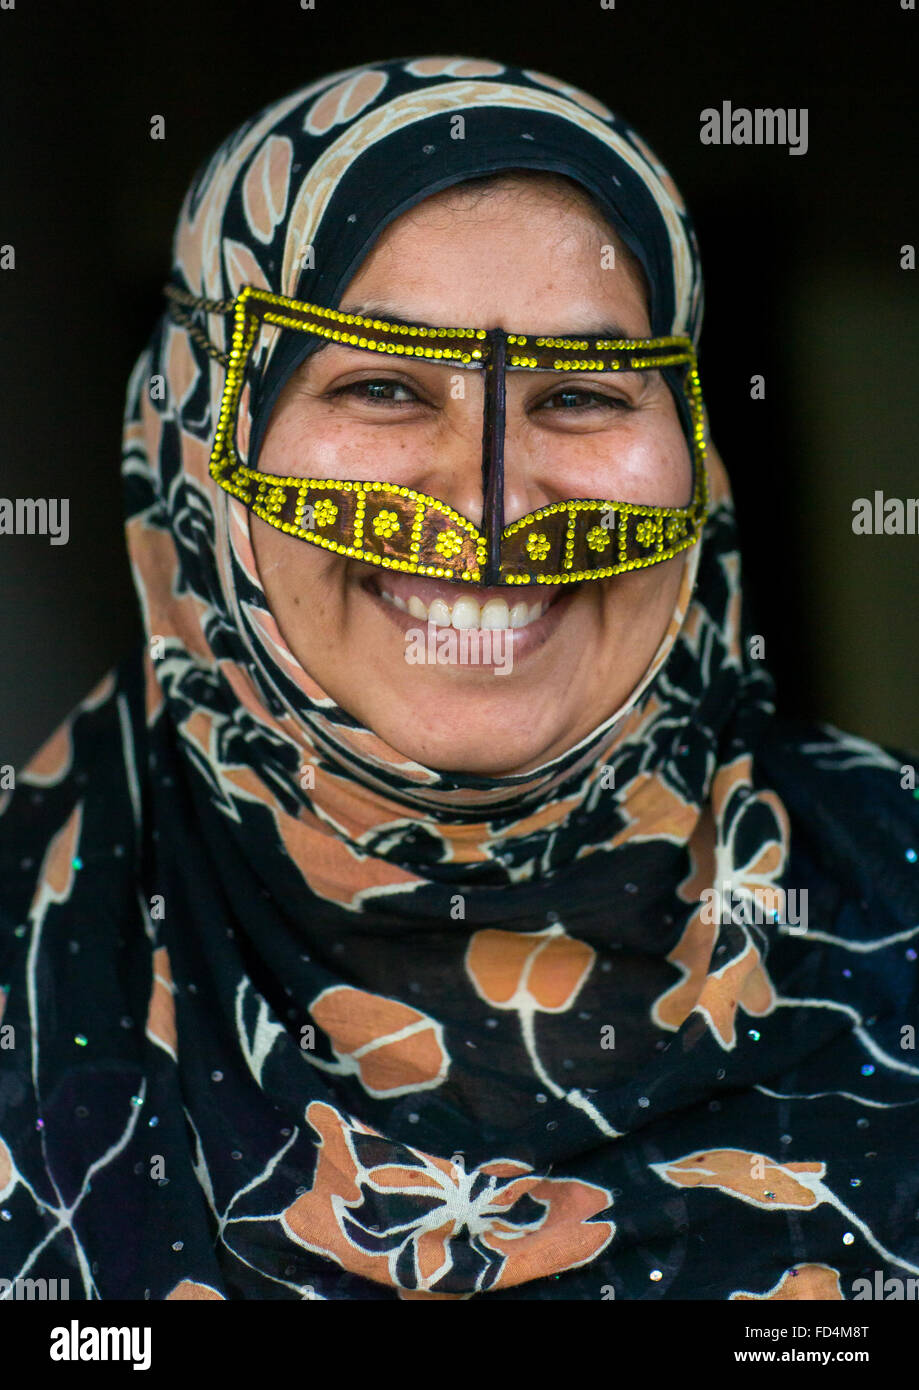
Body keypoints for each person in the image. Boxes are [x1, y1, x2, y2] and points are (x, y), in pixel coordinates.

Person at [1, 55, 917, 1303]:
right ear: (196, 442)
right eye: (380, 385)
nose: (491, 506)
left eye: (583, 393)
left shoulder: (894, 900)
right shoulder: (34, 946)